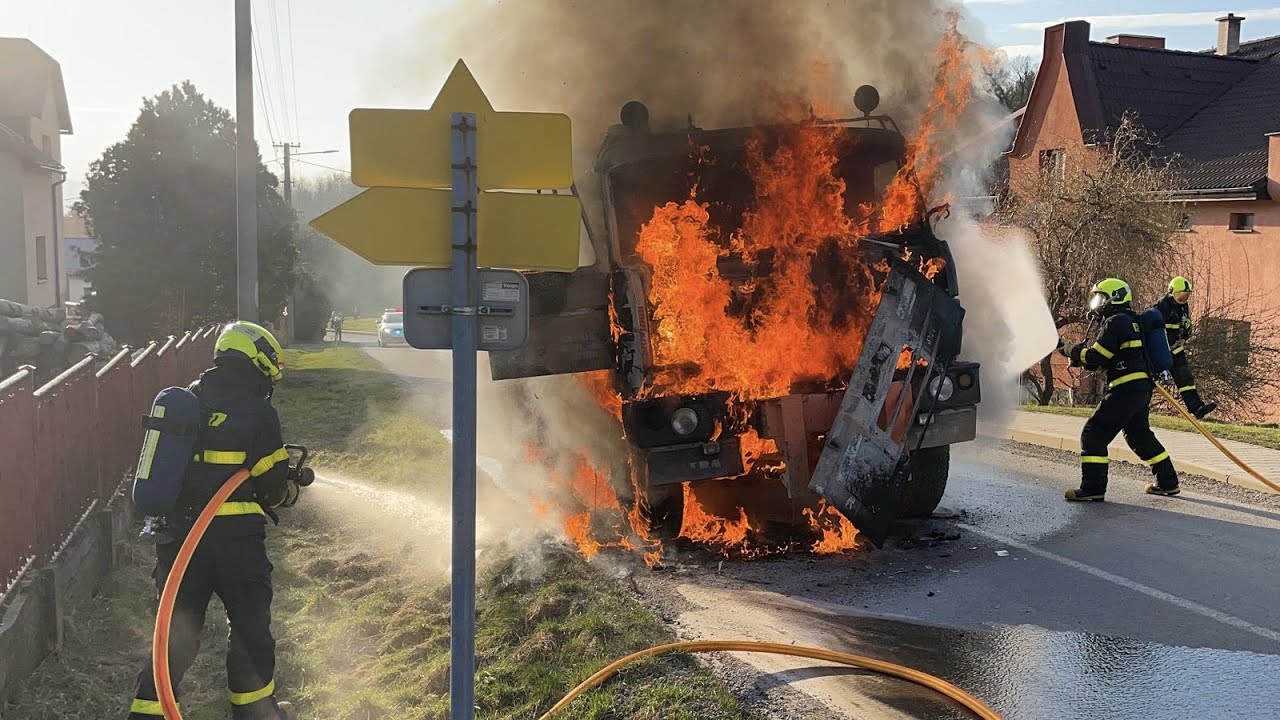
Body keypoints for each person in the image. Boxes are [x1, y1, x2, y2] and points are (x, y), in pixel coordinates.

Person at [127, 321, 298, 720]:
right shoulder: (259, 412)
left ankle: (146, 714)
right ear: (256, 363)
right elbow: (273, 487)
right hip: (237, 546)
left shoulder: (188, 401)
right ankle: (255, 713)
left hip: (181, 543)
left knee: (174, 636)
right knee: (250, 630)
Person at [1058, 278, 1181, 501]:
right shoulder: (1131, 321)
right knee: (1139, 436)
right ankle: (1168, 482)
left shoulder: (1115, 322)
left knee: (1093, 434)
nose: (1096, 303)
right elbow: (1103, 359)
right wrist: (1081, 357)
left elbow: (1096, 355)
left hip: (1124, 388)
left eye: (1100, 297)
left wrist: (1068, 349)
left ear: (1113, 298)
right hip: (1141, 388)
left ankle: (1093, 488)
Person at [1152, 276, 1216, 419]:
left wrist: (1185, 337)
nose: (1183, 298)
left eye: (1186, 295)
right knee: (1149, 379)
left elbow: (1184, 325)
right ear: (1171, 291)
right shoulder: (1161, 306)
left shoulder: (1183, 306)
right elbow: (1155, 329)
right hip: (1161, 349)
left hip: (1176, 347)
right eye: (1180, 294)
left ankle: (1197, 408)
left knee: (1185, 378)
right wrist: (1167, 344)